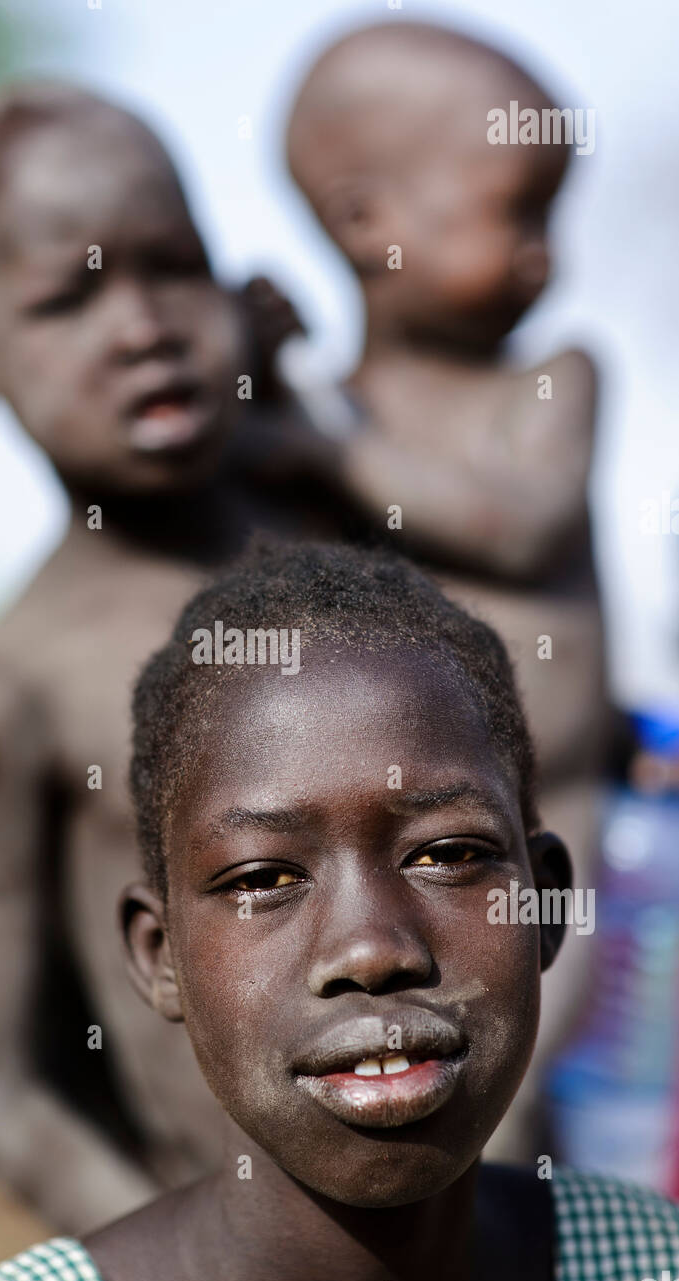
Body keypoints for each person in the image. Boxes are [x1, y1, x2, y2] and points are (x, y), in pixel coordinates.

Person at [0, 541, 679, 1281]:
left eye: (447, 854)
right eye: (262, 879)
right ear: (160, 956)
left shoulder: (651, 1269)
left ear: (545, 904)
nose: (371, 951)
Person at [0, 80, 350, 1234]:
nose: (145, 326)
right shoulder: (12, 685)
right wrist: (188, 1271)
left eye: (176, 266)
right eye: (69, 298)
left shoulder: (369, 531)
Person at [285, 20, 610, 1160]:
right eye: (514, 213)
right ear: (365, 222)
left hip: (562, 812)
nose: (543, 257)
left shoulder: (551, 381)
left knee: (524, 1082)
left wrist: (316, 447)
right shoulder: (308, 417)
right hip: (401, 845)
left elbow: (523, 523)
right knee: (430, 1086)